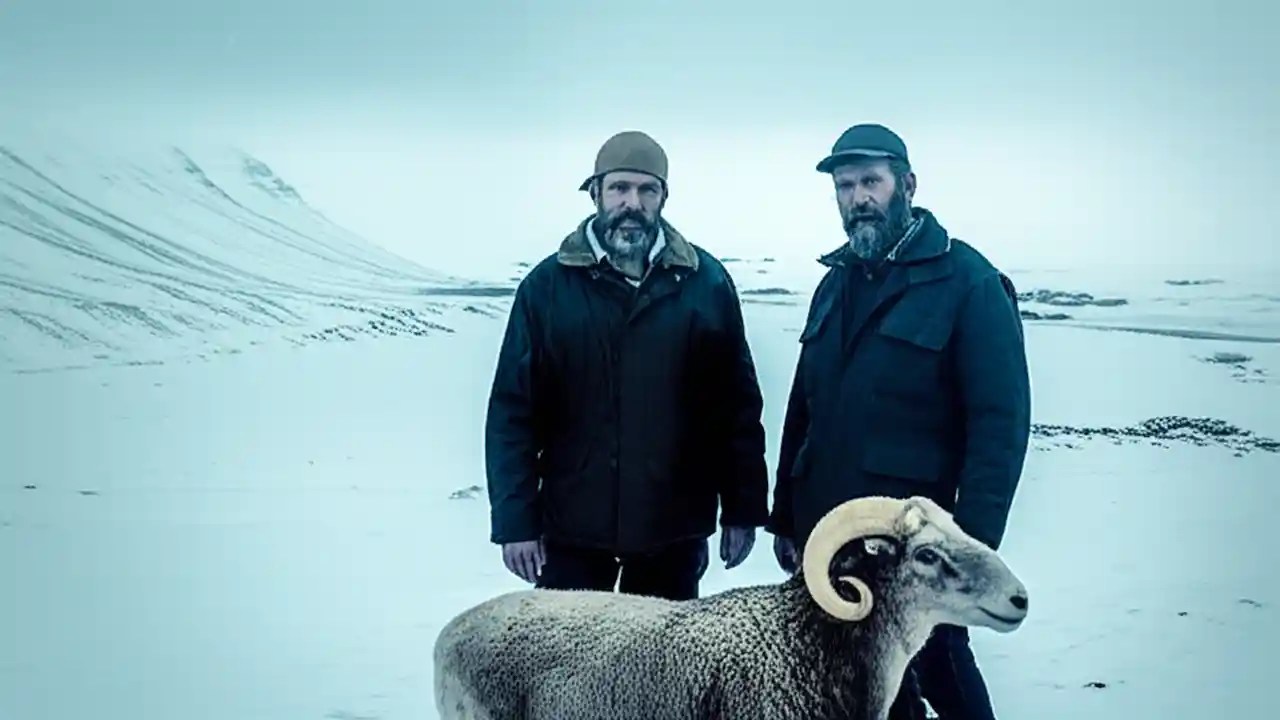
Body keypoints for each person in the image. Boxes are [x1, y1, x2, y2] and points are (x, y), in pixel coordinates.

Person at [765, 123, 1032, 720]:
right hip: (831, 540)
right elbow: (803, 409)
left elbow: (1001, 424)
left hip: (916, 550)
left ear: (906, 184)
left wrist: (971, 545)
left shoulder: (968, 283)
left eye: (871, 182)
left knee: (941, 670)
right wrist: (784, 514)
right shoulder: (833, 285)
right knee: (858, 686)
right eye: (844, 186)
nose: (858, 197)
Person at [484, 129, 769, 602]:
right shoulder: (547, 288)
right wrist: (515, 521)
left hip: (672, 533)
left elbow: (736, 408)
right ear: (595, 193)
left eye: (646, 189)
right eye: (619, 188)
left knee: (663, 674)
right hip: (572, 534)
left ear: (663, 197)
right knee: (572, 672)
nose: (631, 203)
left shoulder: (706, 284)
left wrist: (742, 509)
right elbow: (513, 413)